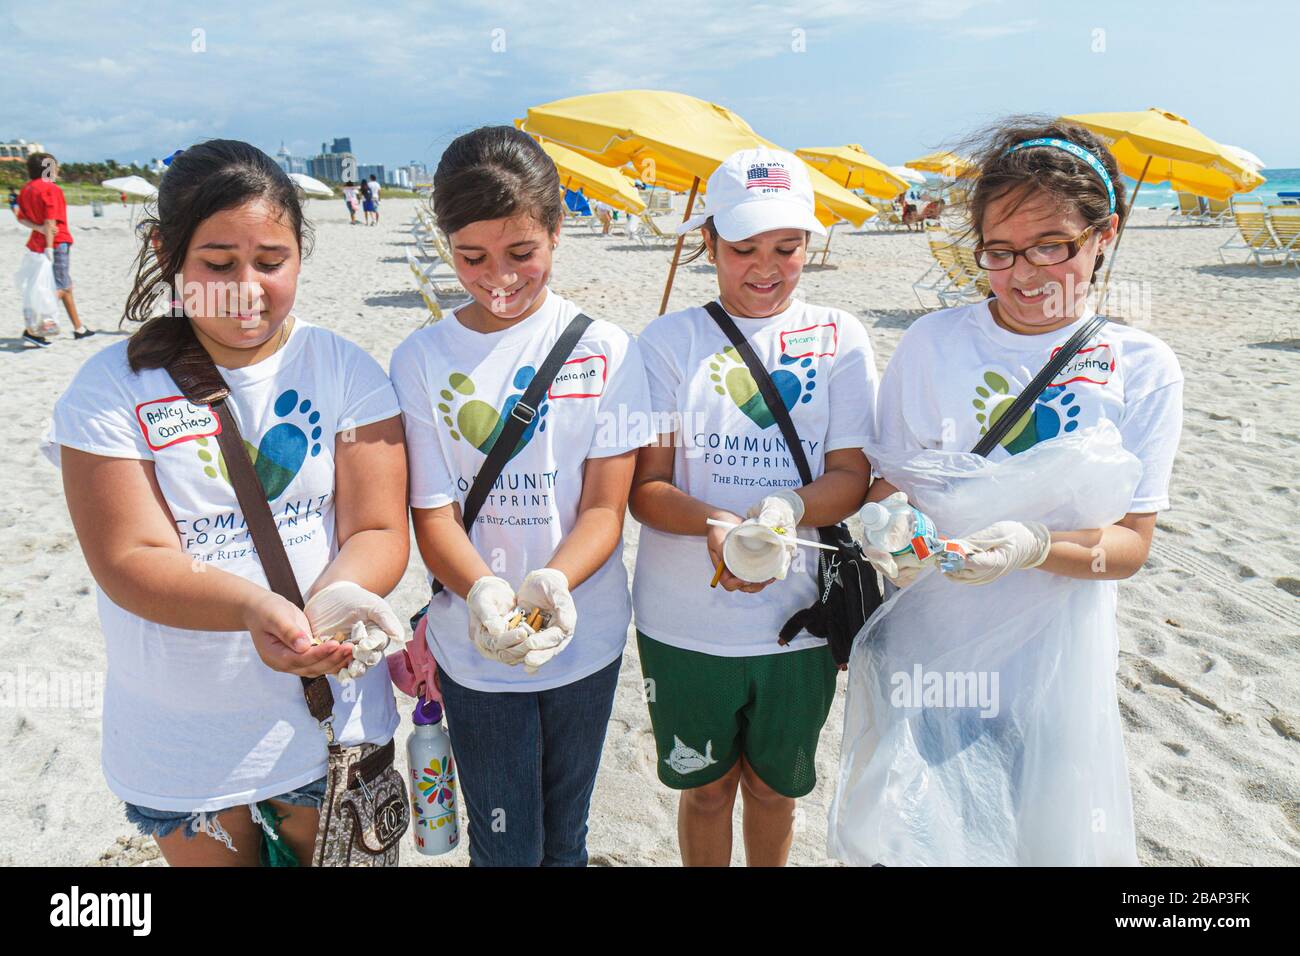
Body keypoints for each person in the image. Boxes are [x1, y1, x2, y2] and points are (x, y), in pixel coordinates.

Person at [42, 140, 409, 866]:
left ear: (300, 252)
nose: (247, 288)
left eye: (271, 262)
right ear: (166, 251)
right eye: (217, 264)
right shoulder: (110, 388)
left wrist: (332, 599)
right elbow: (130, 559)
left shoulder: (344, 369)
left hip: (330, 720)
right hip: (181, 739)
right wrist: (252, 608)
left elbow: (376, 526)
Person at [839, 117, 1184, 865]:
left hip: (1055, 675)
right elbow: (890, 486)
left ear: (1104, 236)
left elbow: (1129, 547)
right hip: (931, 657)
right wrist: (885, 528)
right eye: (998, 252)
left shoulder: (1143, 366)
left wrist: (1032, 548)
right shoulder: (934, 343)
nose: (1024, 275)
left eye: (1052, 246)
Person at [389, 125, 651, 867]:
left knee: (565, 837)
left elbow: (605, 506)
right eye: (471, 258)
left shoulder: (605, 348)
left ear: (557, 232)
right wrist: (482, 592)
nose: (498, 278)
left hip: (588, 632)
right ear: (448, 244)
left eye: (521, 254)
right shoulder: (420, 358)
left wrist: (554, 583)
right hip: (474, 648)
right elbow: (433, 514)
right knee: (505, 841)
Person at [628, 148, 878, 866]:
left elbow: (851, 475)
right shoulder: (669, 342)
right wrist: (713, 523)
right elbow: (648, 488)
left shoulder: (840, 337)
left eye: (787, 247)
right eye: (742, 249)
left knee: (774, 790)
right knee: (705, 790)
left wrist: (778, 514)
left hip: (797, 619)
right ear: (707, 242)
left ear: (810, 244)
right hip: (686, 620)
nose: (765, 268)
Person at [16, 152, 94, 345]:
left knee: (66, 285)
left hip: (36, 244)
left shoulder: (26, 189)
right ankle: (33, 330)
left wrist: (39, 229)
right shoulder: (51, 189)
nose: (57, 170)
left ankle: (79, 328)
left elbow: (21, 217)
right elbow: (51, 221)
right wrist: (50, 246)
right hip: (56, 242)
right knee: (60, 286)